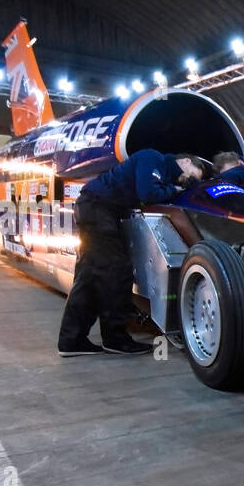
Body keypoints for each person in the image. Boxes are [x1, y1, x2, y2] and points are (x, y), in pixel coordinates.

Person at [57, 149, 202, 356]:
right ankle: (115, 339)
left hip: (96, 208)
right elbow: (148, 193)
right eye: (192, 175)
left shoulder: (159, 170)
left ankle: (72, 340)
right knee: (116, 272)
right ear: (186, 160)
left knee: (89, 277)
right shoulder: (153, 158)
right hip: (98, 209)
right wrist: (176, 188)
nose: (189, 181)